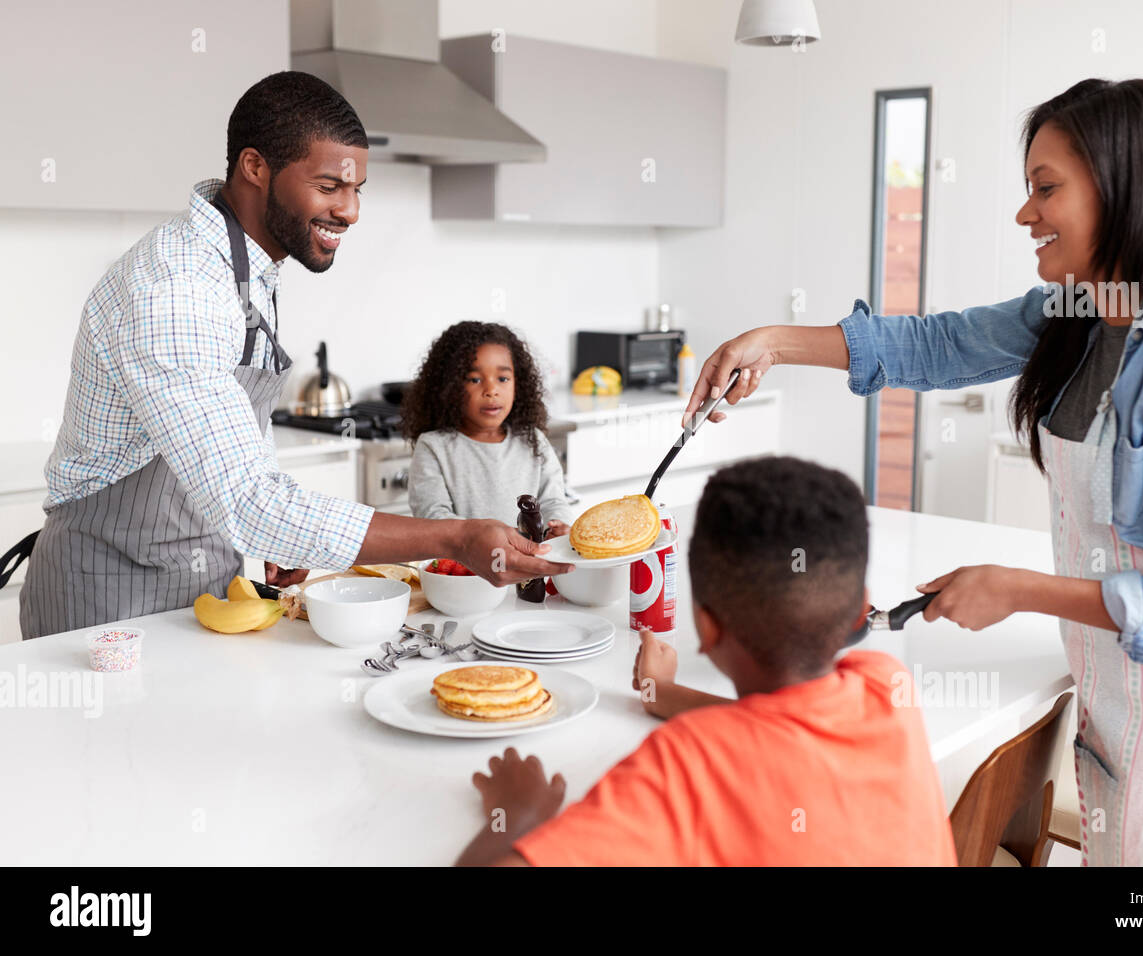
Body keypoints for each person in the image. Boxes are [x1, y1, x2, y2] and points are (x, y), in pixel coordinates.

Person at [681, 79, 1143, 866]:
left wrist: (1016, 590)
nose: (1025, 213)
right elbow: (937, 345)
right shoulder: (1080, 314)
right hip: (1119, 695)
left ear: (1129, 188)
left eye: (1047, 189)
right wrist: (771, 341)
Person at [18, 72, 569, 640]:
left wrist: (277, 539)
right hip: (109, 594)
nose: (350, 211)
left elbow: (238, 438)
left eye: (357, 190)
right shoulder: (177, 288)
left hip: (208, 583)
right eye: (329, 186)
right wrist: (454, 537)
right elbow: (249, 500)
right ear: (255, 168)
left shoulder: (248, 268)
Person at [454, 457, 958, 866]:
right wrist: (664, 694)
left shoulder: (683, 763)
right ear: (860, 610)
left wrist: (517, 817)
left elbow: (750, 741)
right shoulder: (887, 685)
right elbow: (785, 731)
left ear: (705, 625)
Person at [403, 321, 572, 537]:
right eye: (474, 379)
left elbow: (554, 501)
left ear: (517, 383)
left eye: (502, 379)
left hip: (532, 566)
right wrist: (492, 537)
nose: (491, 390)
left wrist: (557, 527)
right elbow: (433, 516)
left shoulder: (533, 440)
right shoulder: (433, 447)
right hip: (466, 569)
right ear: (450, 387)